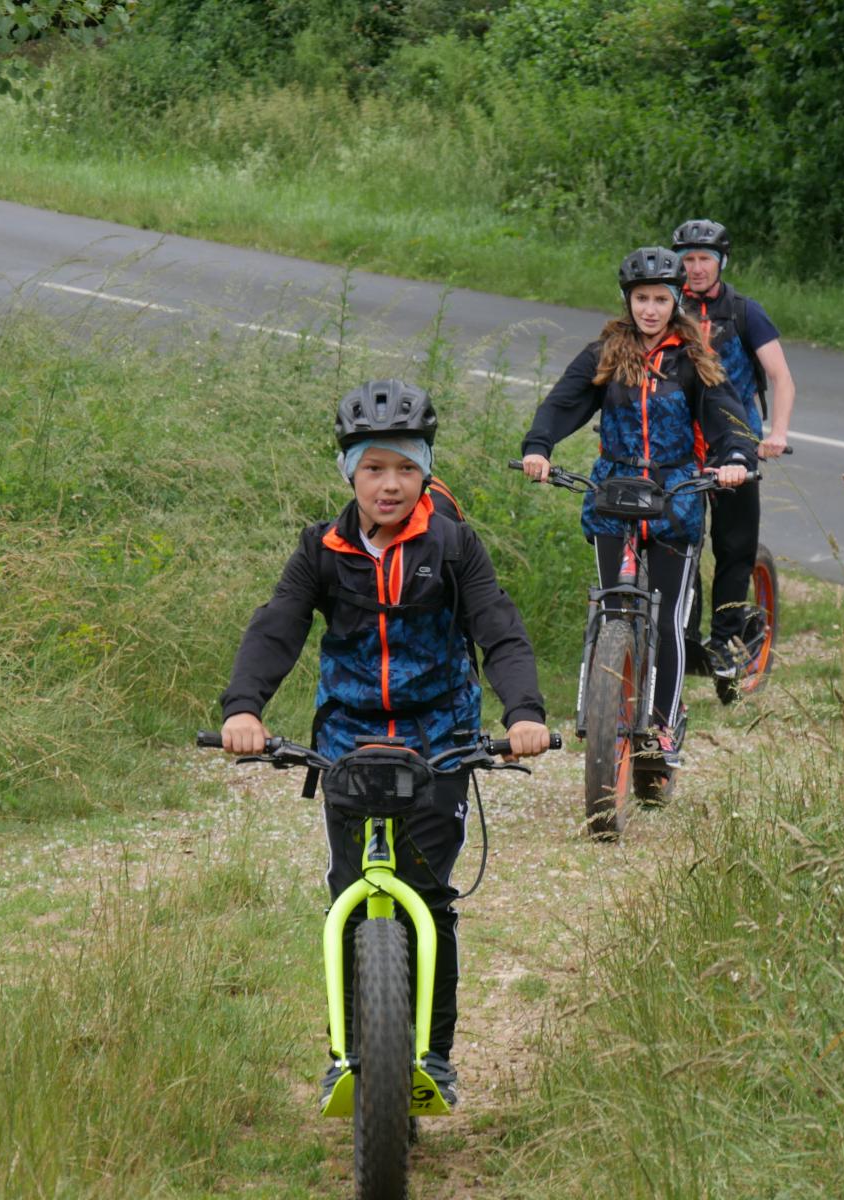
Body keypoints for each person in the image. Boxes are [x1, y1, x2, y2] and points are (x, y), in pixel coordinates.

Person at [217, 379, 550, 1110]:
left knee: (428, 897)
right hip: (349, 741)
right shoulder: (323, 549)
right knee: (349, 891)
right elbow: (278, 625)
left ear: (426, 469)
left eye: (404, 467)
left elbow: (497, 625)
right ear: (350, 474)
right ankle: (347, 1054)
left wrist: (523, 712)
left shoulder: (454, 544)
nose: (390, 484)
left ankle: (432, 1053)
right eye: (374, 468)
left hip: (440, 740)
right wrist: (244, 707)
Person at [519, 247, 755, 774]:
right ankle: (607, 704)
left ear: (676, 302)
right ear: (628, 301)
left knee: (668, 617)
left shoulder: (694, 358)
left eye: (660, 299)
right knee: (614, 607)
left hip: (675, 494)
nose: (650, 309)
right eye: (641, 299)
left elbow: (725, 418)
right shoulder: (606, 352)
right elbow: (564, 402)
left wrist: (734, 459)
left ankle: (665, 727)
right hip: (615, 490)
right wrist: (539, 446)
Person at [671, 218, 796, 676]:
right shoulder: (665, 306)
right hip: (679, 445)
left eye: (704, 259)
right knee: (679, 539)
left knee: (734, 545)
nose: (696, 268)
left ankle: (724, 642)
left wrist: (775, 433)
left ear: (722, 262)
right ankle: (682, 637)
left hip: (734, 446)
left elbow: (780, 376)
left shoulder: (745, 312)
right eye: (688, 260)